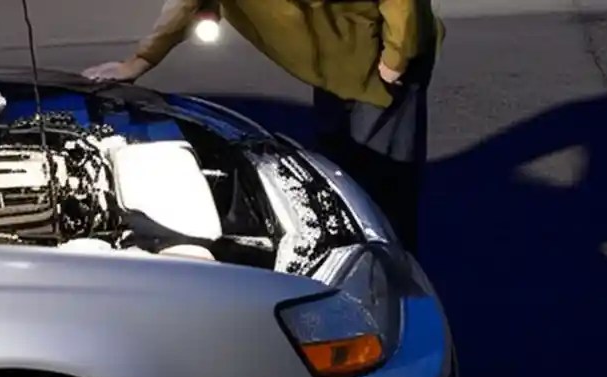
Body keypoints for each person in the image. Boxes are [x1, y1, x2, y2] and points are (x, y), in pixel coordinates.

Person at [83, 0, 444, 256]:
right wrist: (140, 60)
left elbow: (404, 7)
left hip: (387, 59)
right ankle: (355, 267)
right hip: (338, 63)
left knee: (382, 187)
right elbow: (186, 5)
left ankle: (396, 287)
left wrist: (397, 57)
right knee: (340, 177)